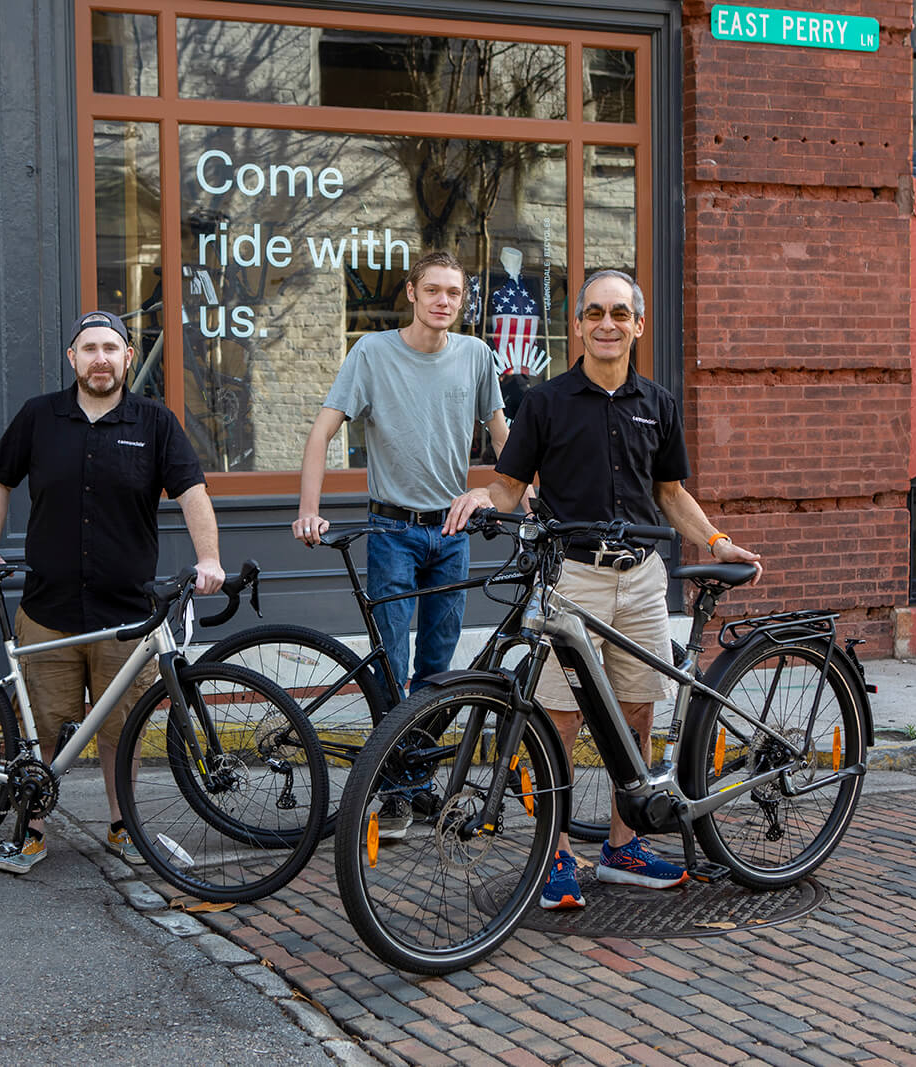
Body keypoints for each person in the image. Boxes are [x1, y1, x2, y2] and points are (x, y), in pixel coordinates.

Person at [444, 269, 763, 910]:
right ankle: (555, 855)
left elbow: (670, 494)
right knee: (558, 722)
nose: (607, 324)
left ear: (638, 326)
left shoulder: (659, 404)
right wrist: (485, 493)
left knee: (636, 714)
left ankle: (623, 849)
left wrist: (717, 540)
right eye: (594, 313)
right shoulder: (546, 402)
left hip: (641, 579)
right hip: (573, 579)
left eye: (620, 313)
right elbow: (511, 484)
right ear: (580, 326)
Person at [0, 309, 224, 875]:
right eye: (89, 349)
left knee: (120, 732)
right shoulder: (39, 417)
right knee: (42, 731)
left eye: (111, 348)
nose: (100, 358)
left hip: (126, 614)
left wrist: (209, 559)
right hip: (49, 610)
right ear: (72, 359)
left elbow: (193, 492)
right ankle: (29, 831)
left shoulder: (155, 421)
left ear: (128, 357)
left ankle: (122, 825)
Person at [293, 250, 509, 700]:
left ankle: (417, 768)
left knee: (438, 669)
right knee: (390, 667)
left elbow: (504, 439)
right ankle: (387, 771)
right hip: (392, 530)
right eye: (432, 290)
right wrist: (308, 511)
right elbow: (322, 432)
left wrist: (529, 504)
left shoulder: (475, 355)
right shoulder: (373, 352)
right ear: (412, 293)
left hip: (453, 531)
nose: (442, 301)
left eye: (453, 293)